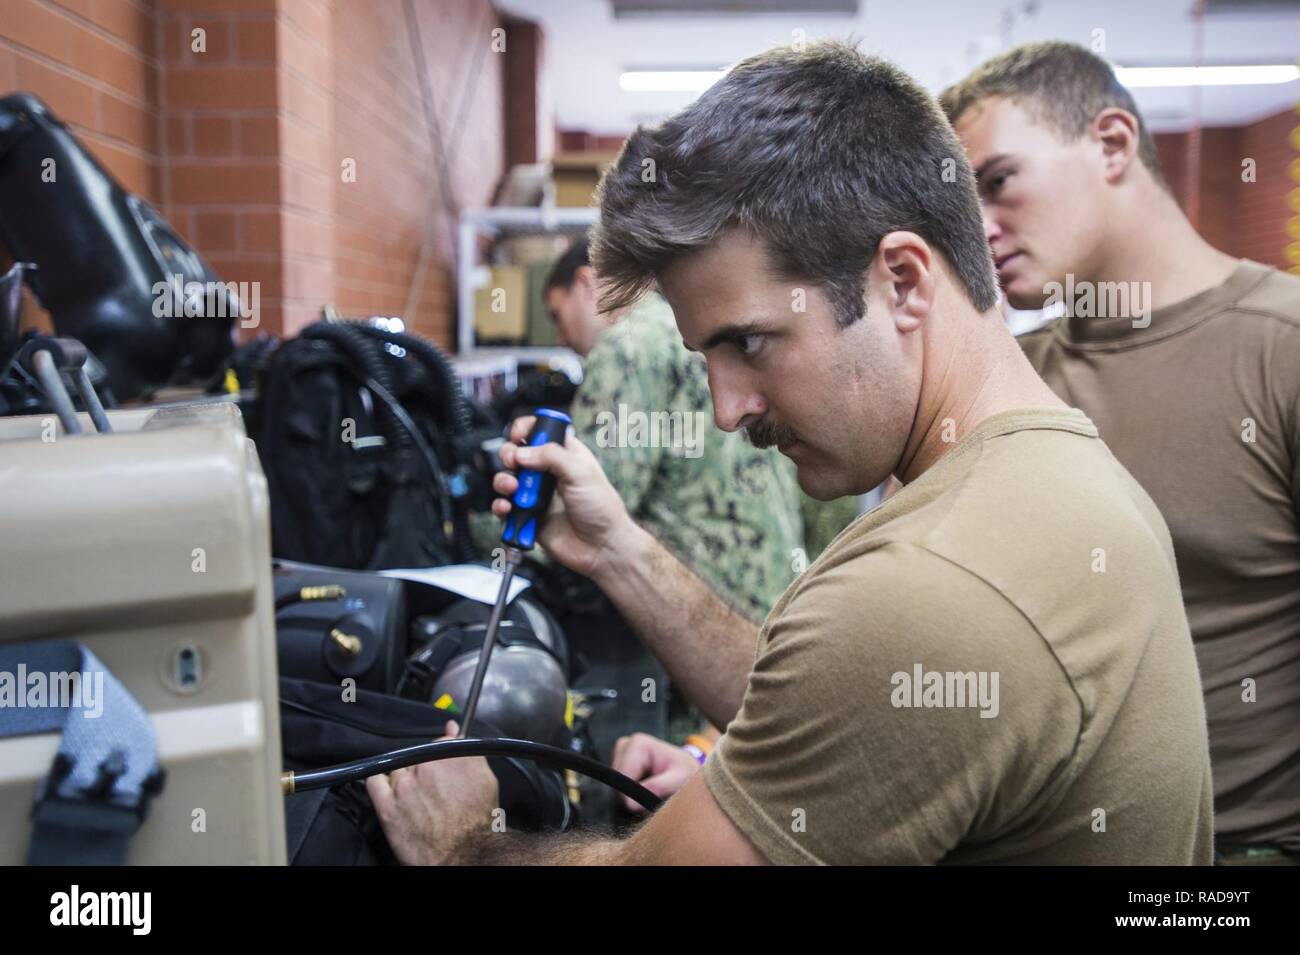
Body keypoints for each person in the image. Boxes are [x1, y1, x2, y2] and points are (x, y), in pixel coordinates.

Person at [365, 40, 1212, 865]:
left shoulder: (932, 584)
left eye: (751, 343)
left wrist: (463, 845)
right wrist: (617, 549)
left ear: (904, 282)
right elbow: (840, 697)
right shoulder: (1053, 472)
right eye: (707, 357)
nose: (728, 409)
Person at [941, 41, 1300, 864]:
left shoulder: (1281, 349)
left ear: (1111, 144)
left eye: (997, 183)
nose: (981, 230)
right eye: (962, 208)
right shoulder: (1015, 380)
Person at [544, 233, 805, 625]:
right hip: (775, 596)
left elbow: (594, 506)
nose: (561, 338)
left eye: (557, 315)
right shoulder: (687, 329)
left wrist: (485, 529)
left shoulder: (628, 346)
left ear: (586, 284)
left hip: (707, 609)